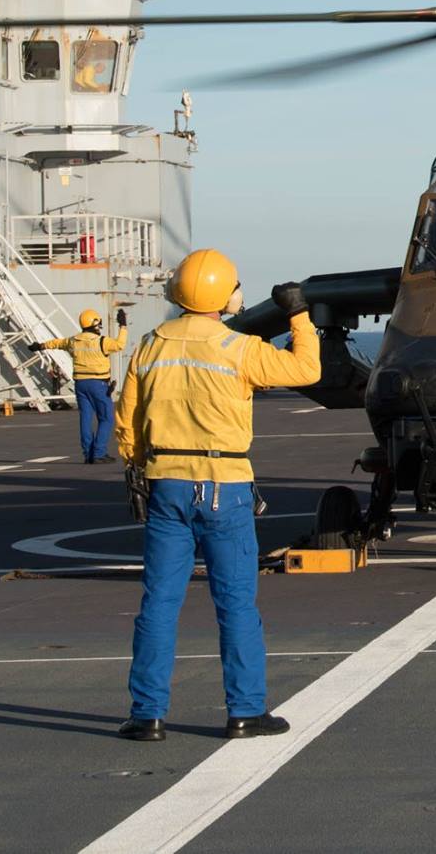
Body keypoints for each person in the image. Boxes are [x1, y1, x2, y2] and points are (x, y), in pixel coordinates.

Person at [112, 249, 319, 742]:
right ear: (226, 295)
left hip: (167, 484)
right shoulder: (238, 347)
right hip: (225, 486)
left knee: (159, 603)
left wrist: (141, 466)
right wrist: (299, 313)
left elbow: (126, 423)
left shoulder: (148, 347)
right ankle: (245, 712)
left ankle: (147, 715)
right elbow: (306, 369)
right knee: (236, 603)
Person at [35, 307, 127, 463]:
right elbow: (119, 345)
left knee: (85, 417)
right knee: (106, 418)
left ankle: (88, 454)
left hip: (80, 384)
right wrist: (123, 327)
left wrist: (41, 345)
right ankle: (99, 453)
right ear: (95, 324)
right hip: (99, 384)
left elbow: (57, 343)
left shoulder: (73, 341)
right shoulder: (102, 341)